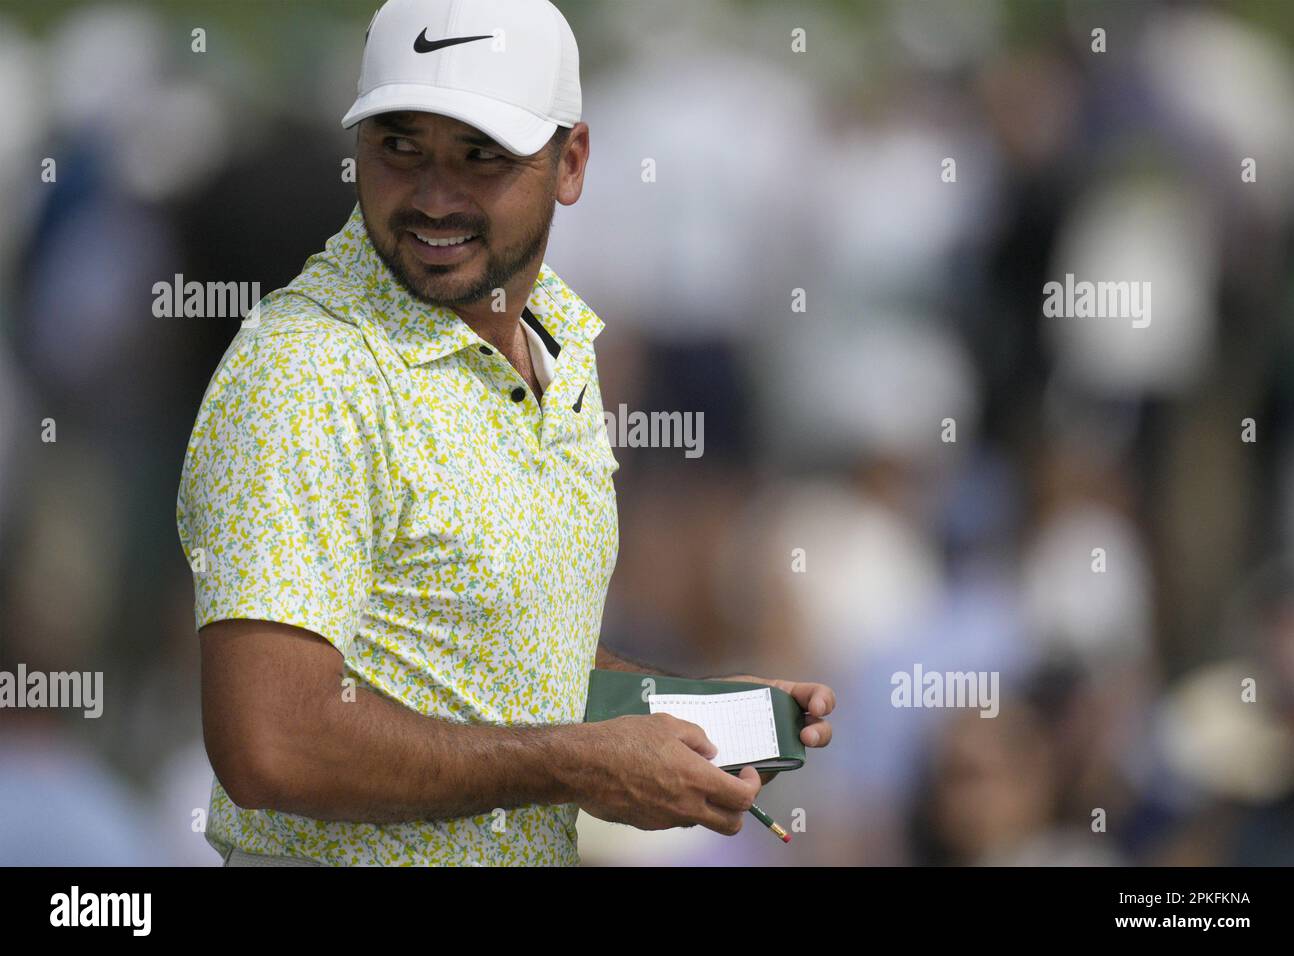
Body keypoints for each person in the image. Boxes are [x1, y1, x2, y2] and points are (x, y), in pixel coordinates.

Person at [176, 0, 835, 866]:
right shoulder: (306, 370)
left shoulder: (558, 339)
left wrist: (679, 720)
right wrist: (576, 765)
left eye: (480, 155)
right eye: (399, 147)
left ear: (572, 163)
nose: (434, 196)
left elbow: (493, 663)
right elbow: (275, 741)